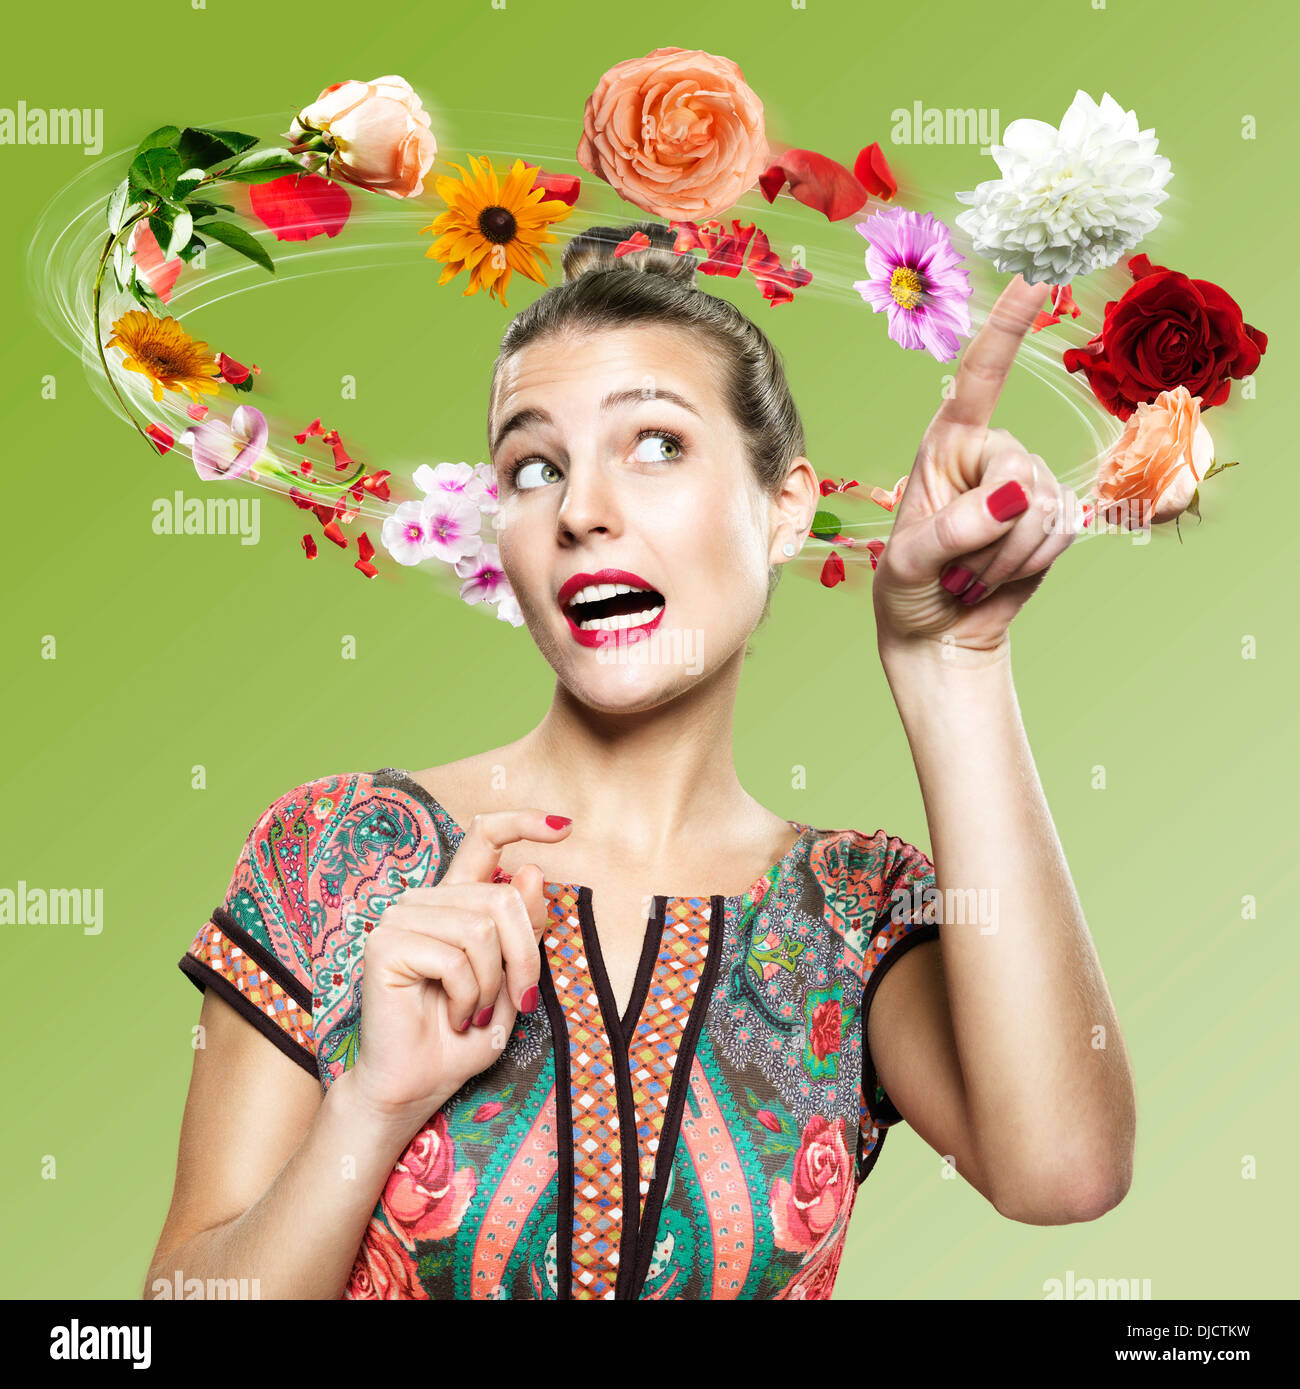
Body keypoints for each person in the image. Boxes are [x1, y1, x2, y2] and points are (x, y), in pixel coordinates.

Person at [145, 221, 1135, 1301]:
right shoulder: (339, 853)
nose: (580, 511)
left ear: (785, 509)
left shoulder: (855, 912)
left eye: (656, 445)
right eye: (533, 467)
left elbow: (1064, 1172)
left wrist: (953, 660)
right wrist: (371, 1106)